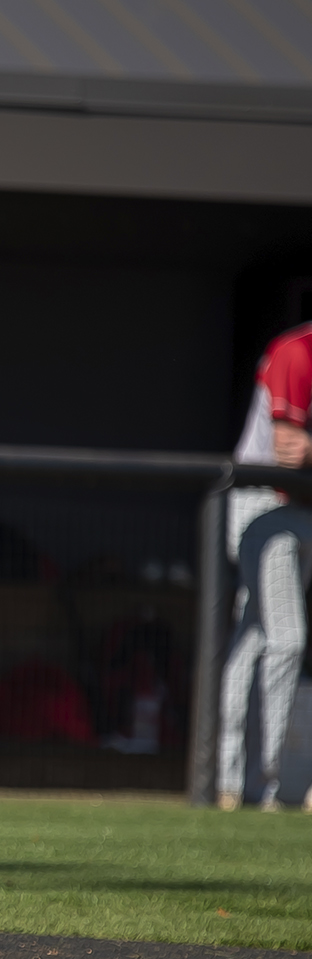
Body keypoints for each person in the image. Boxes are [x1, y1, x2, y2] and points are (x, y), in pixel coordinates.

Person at [220, 323, 312, 814]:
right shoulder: (298, 351)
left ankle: (230, 780)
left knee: (254, 635)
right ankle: (265, 788)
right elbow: (289, 451)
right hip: (264, 502)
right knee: (286, 637)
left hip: (302, 508)